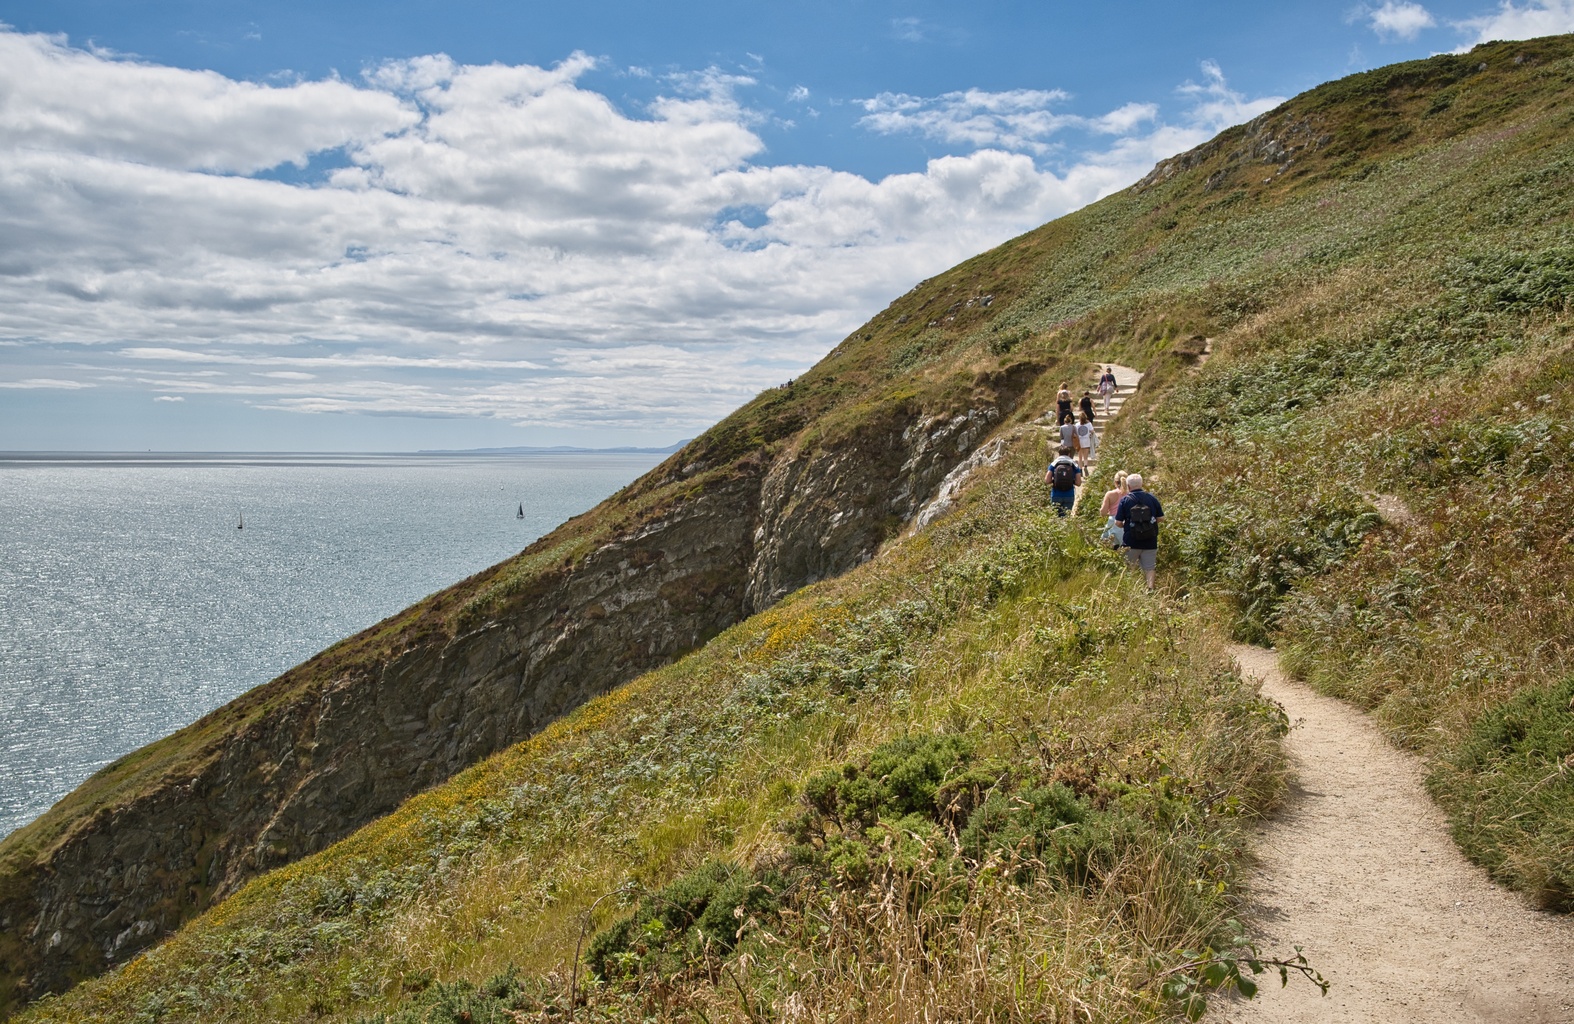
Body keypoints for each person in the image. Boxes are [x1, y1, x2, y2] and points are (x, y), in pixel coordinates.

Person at [1114, 472, 1164, 588]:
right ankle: (1150, 589)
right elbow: (1161, 518)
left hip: (1131, 540)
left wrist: (1126, 526)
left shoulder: (1125, 500)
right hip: (1150, 539)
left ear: (1128, 486)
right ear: (1142, 484)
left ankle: (1131, 590)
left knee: (1129, 568)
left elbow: (1118, 522)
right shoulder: (1151, 498)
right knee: (1150, 568)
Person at [1044, 444, 1082, 516]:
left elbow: (1047, 480)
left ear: (1059, 454)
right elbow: (1079, 483)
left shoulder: (1054, 464)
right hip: (1069, 494)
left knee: (1055, 517)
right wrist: (1071, 481)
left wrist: (1054, 480)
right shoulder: (1074, 465)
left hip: (1056, 494)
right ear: (1069, 454)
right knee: (1066, 517)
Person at [1099, 470, 1128, 547]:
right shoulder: (1131, 494)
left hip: (1114, 522)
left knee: (1108, 546)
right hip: (1128, 522)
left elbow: (1103, 512)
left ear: (1115, 482)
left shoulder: (1110, 494)